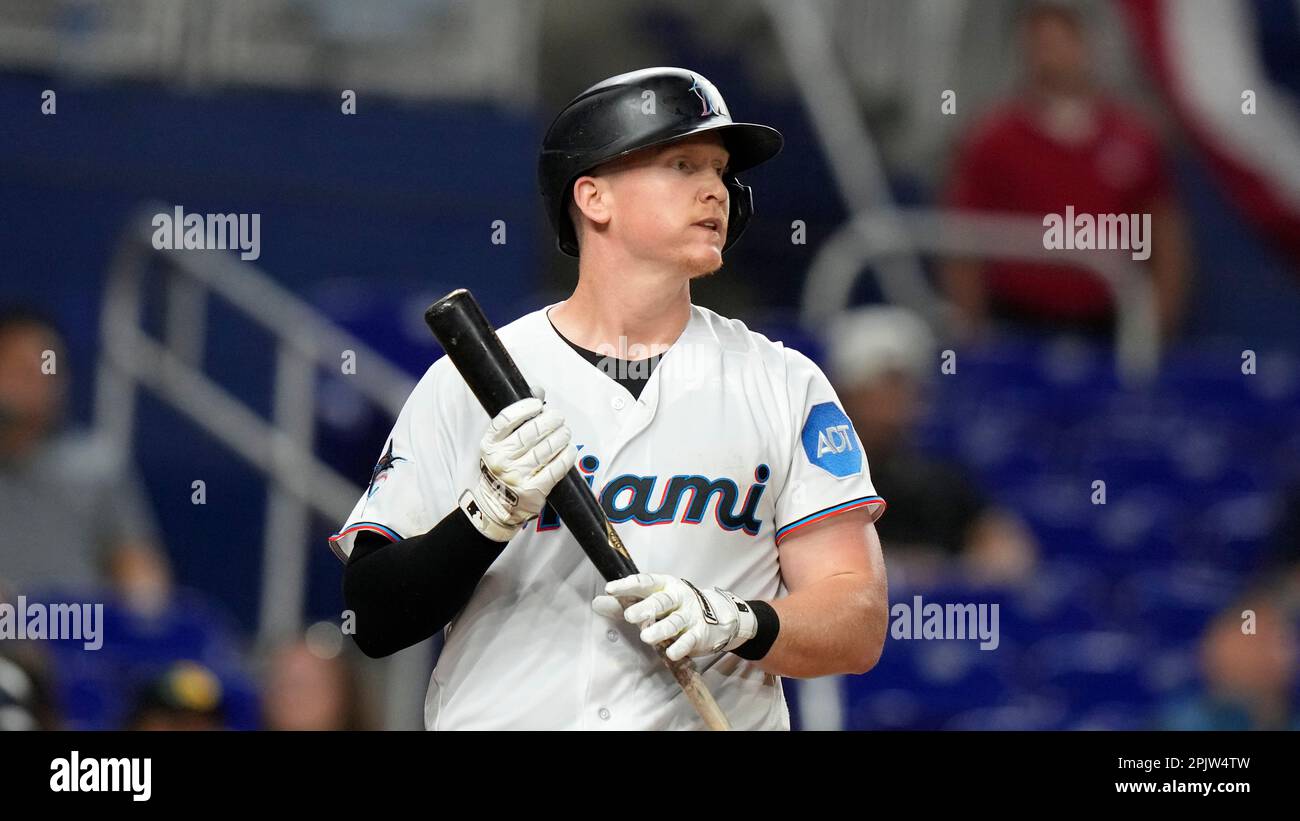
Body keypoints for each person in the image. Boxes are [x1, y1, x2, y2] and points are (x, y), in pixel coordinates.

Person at [333, 67, 889, 730]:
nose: (716, 188)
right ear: (593, 197)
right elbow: (373, 616)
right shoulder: (471, 380)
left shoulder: (781, 382)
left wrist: (741, 619)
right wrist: (485, 515)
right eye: (683, 163)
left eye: (719, 169)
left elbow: (856, 619)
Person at [940, 1, 1188, 342]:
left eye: (1061, 41)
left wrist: (1153, 328)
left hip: (1105, 324)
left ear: (1085, 44)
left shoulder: (1133, 139)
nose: (1051, 55)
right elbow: (963, 241)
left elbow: (1165, 238)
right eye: (1040, 44)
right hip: (1018, 323)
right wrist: (971, 332)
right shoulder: (993, 140)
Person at [827, 306, 1036, 586]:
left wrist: (949, 575)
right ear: (847, 391)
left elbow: (1011, 553)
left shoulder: (940, 477)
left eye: (907, 383)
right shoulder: (815, 477)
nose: (900, 397)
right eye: (887, 382)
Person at [0, 307, 171, 610]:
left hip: (73, 642)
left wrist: (140, 619)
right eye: (15, 367)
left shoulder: (97, 466)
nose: (32, 379)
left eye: (45, 367)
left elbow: (138, 566)